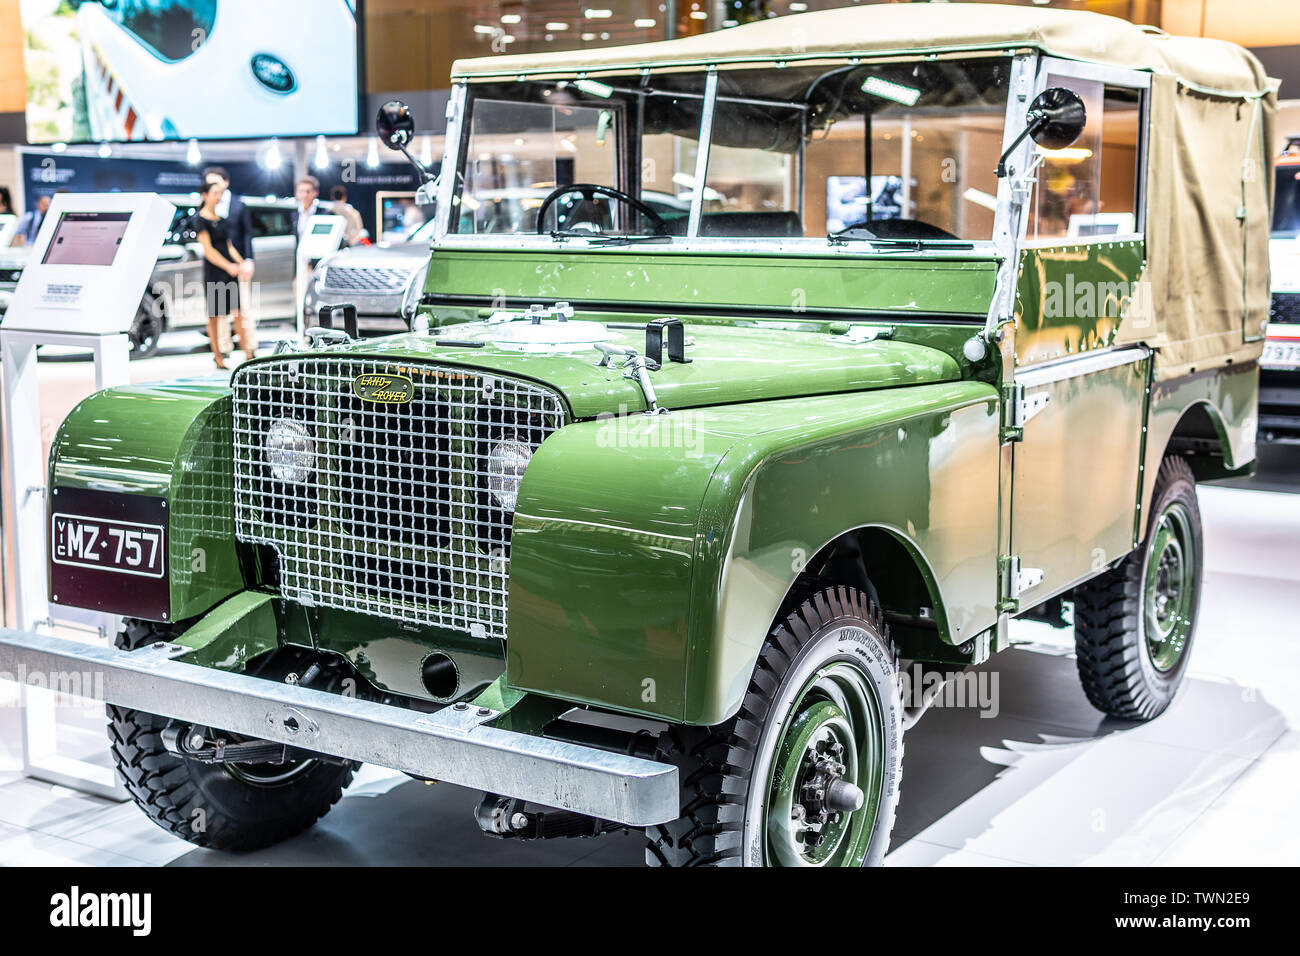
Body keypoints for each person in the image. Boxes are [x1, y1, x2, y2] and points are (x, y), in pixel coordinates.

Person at [193, 179, 256, 369]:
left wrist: (241, 263)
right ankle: (218, 356)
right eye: (215, 194)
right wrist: (228, 266)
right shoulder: (199, 219)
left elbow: (229, 246)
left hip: (229, 272)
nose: (218, 197)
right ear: (205, 196)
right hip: (215, 272)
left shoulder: (221, 220)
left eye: (220, 194)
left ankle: (248, 353)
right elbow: (209, 250)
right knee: (215, 316)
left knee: (237, 312)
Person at [291, 175, 322, 244]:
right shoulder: (294, 213)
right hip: (300, 253)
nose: (304, 195)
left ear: (316, 192)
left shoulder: (324, 213)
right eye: (301, 191)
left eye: (308, 191)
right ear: (296, 193)